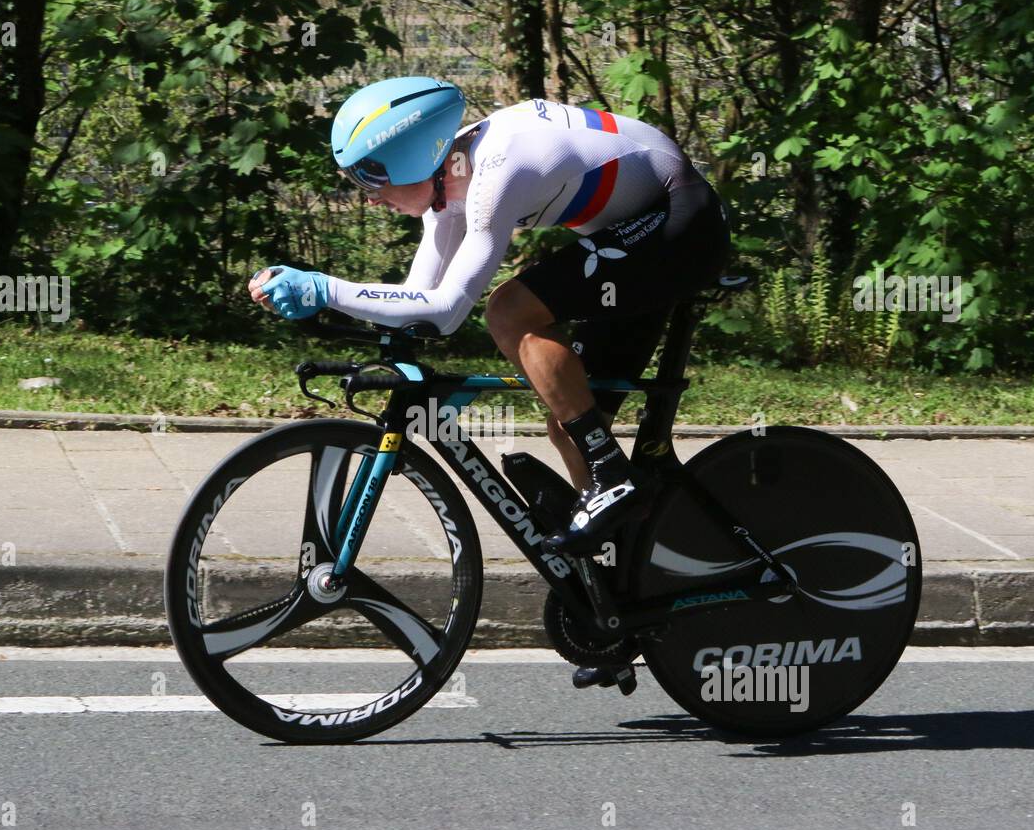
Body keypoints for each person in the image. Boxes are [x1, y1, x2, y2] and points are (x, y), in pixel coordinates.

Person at [249, 76, 730, 553]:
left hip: (681, 221)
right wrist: (324, 303)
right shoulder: (448, 187)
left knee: (508, 311)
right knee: (572, 422)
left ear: (414, 156)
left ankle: (612, 476)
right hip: (637, 231)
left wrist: (324, 287)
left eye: (368, 177)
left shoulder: (501, 167)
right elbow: (416, 300)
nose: (369, 196)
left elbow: (446, 313)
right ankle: (623, 574)